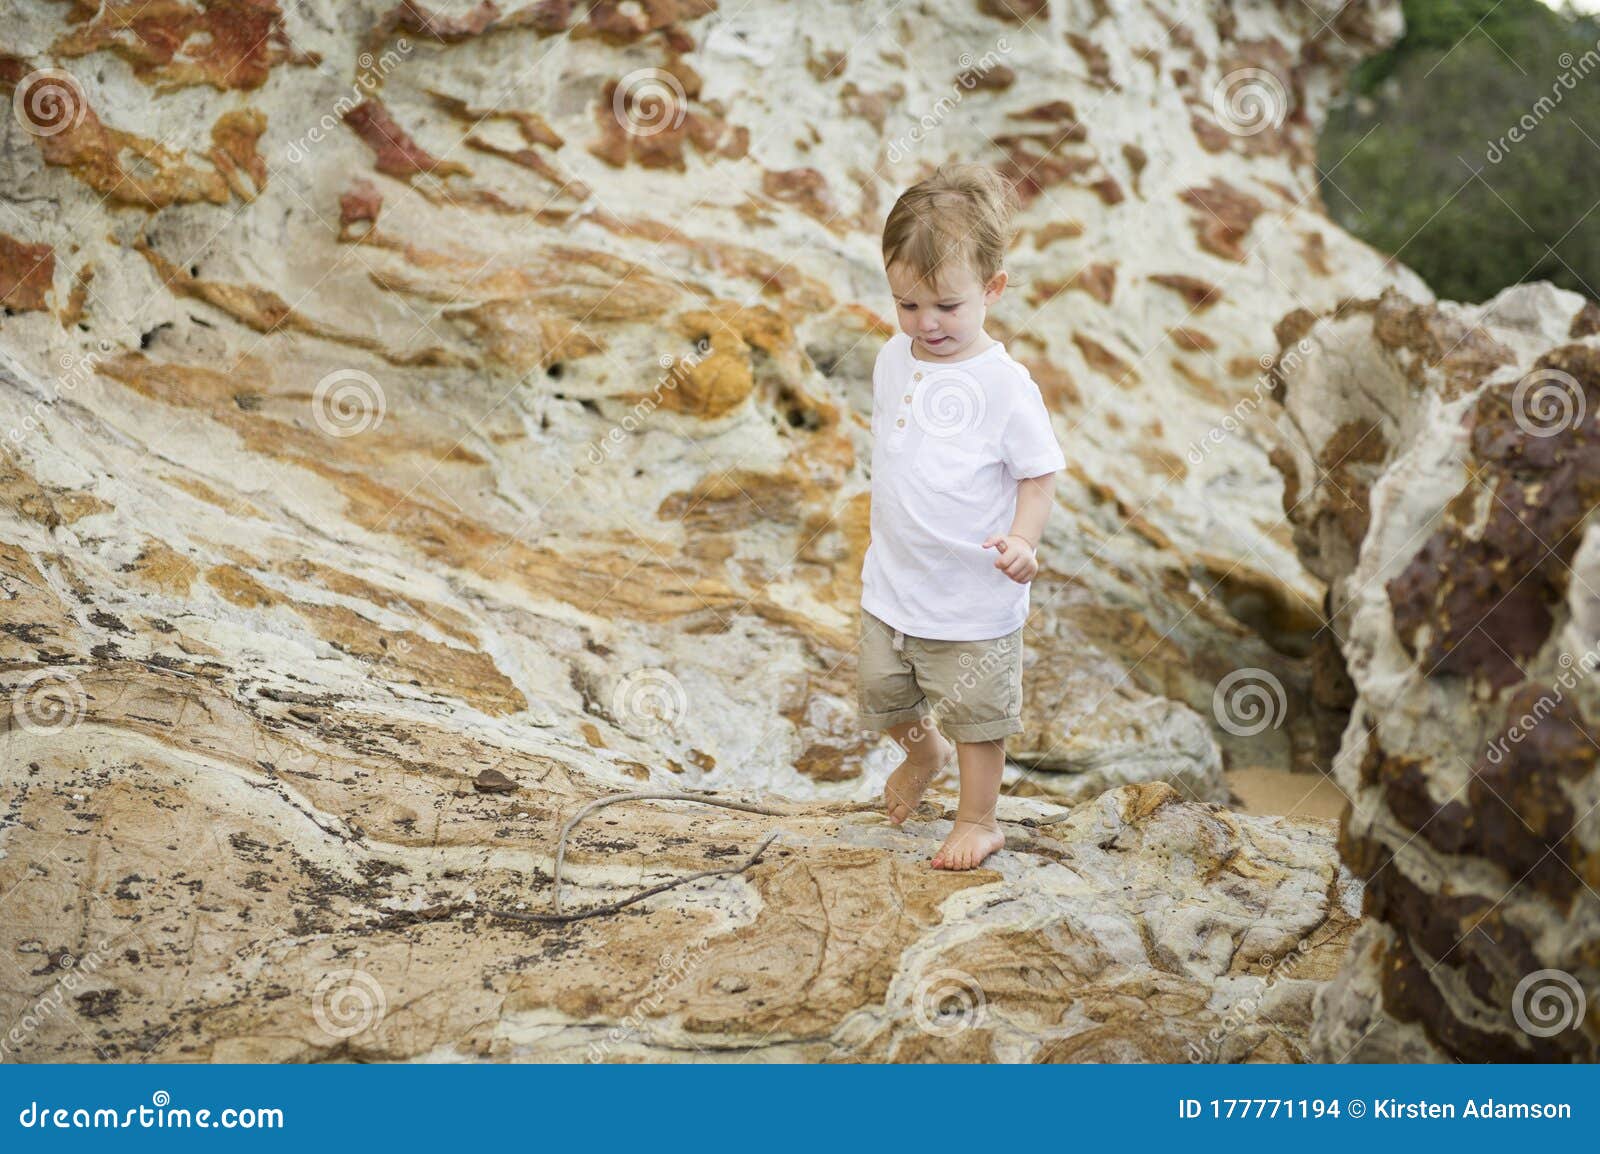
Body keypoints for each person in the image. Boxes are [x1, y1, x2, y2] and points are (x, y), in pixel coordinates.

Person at [858, 162, 1065, 870]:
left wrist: (1022, 541)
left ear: (993, 290)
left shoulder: (1004, 385)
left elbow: (1039, 474)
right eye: (908, 305)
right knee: (882, 692)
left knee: (980, 718)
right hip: (894, 581)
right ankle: (924, 757)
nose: (927, 324)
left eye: (947, 305)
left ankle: (979, 819)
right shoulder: (894, 358)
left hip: (974, 591)